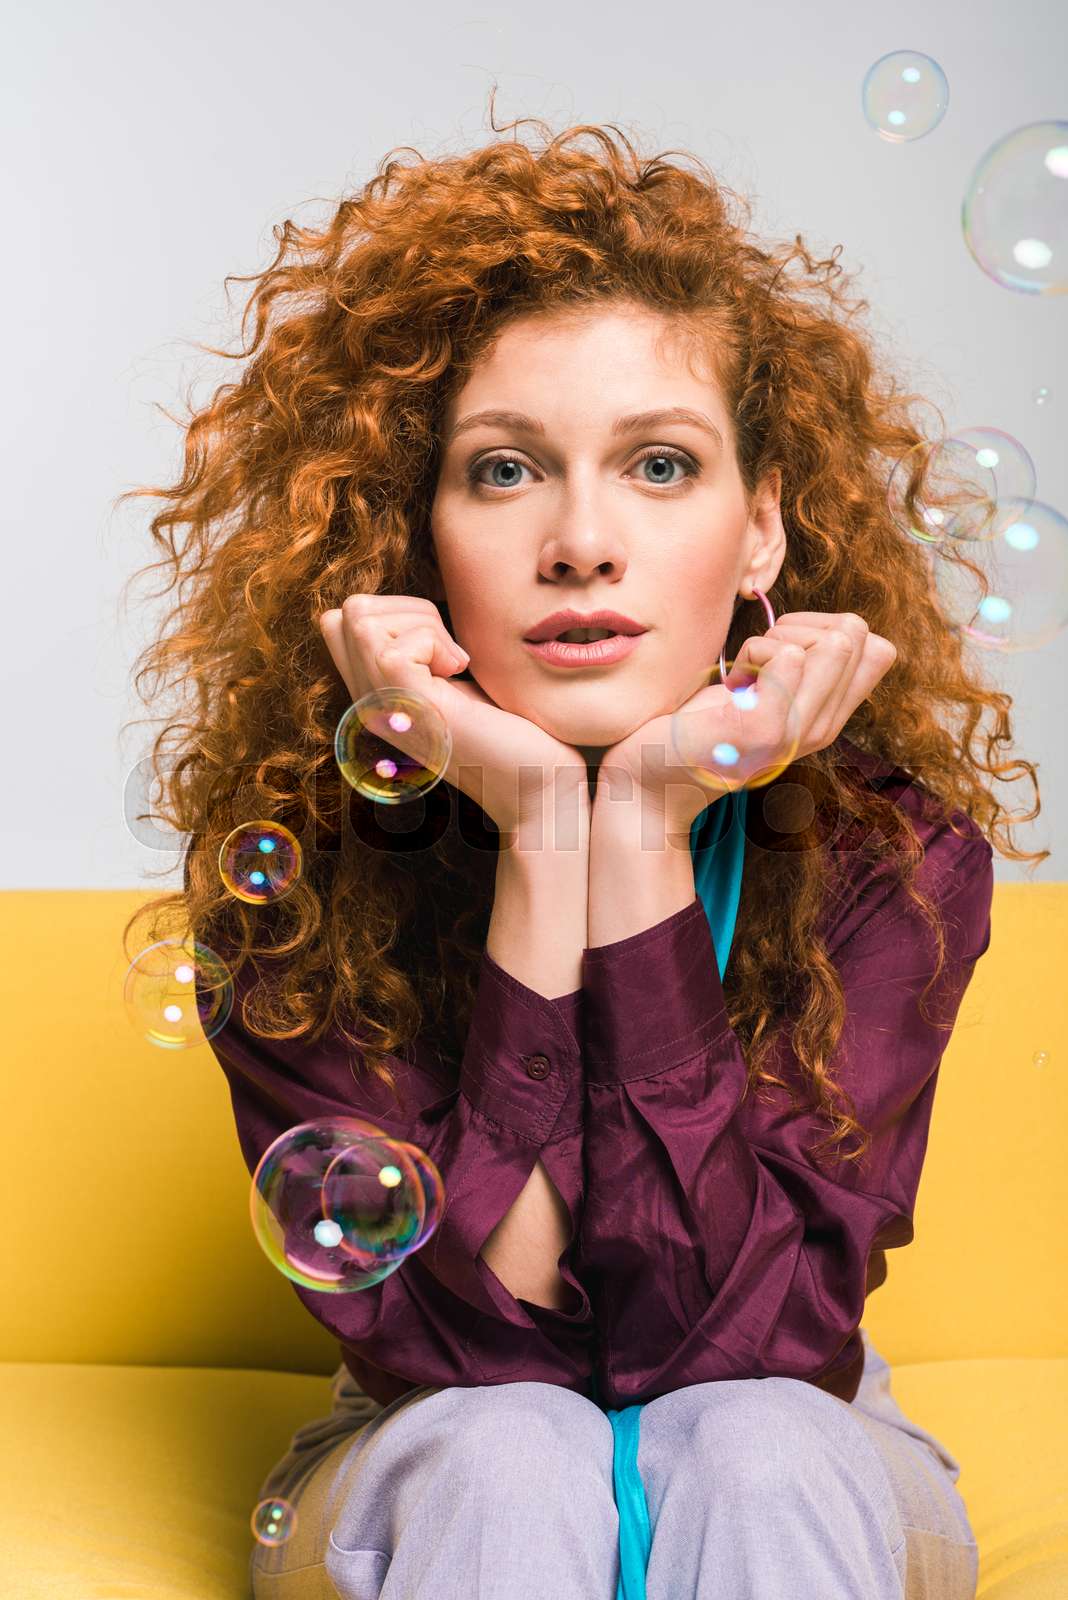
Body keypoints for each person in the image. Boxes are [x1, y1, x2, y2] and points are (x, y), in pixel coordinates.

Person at [119, 94, 1045, 1600]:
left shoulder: (896, 854)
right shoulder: (300, 858)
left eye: (662, 466)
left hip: (808, 1438)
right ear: (413, 539)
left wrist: (652, 826)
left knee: (756, 1445)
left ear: (759, 535)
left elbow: (739, 1347)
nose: (581, 542)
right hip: (429, 1441)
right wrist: (552, 820)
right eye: (503, 470)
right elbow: (487, 1350)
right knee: (511, 1453)